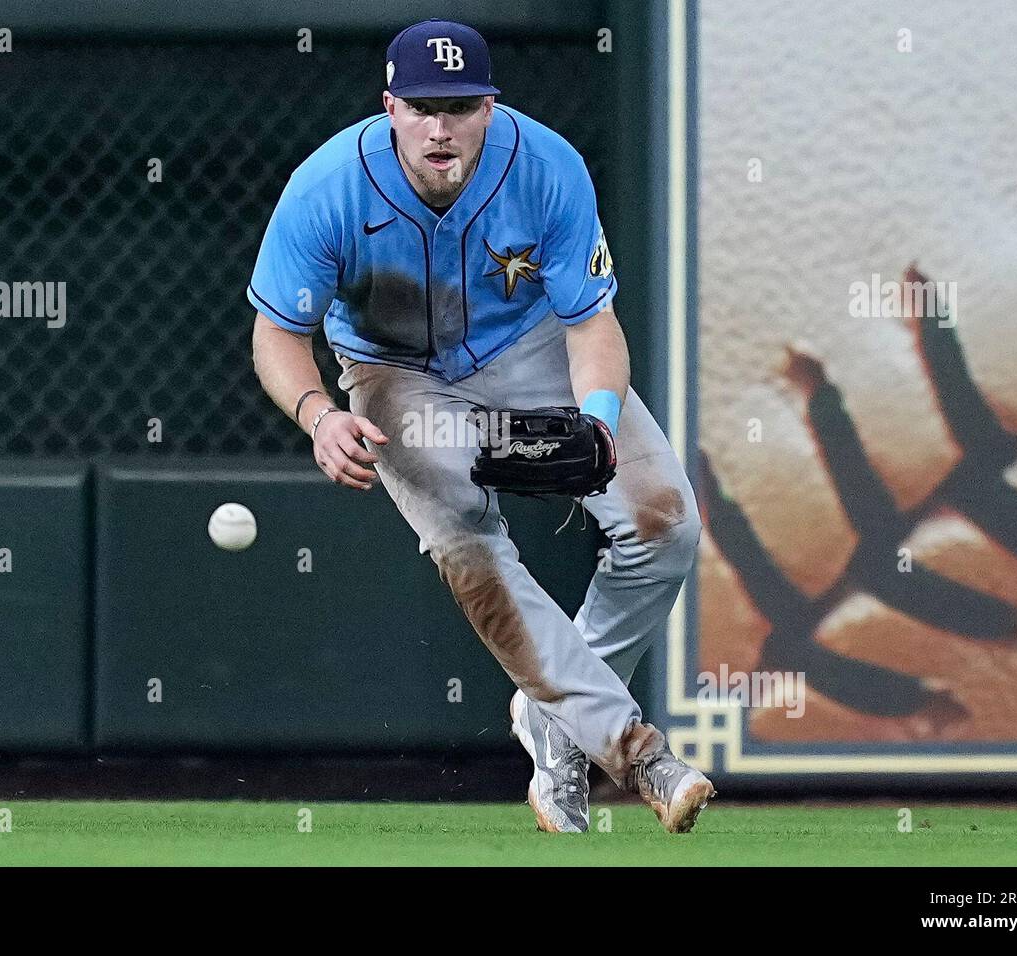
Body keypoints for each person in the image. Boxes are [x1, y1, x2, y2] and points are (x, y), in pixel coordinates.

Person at [250, 19, 712, 833]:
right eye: (422, 107)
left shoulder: (547, 167)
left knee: (665, 526)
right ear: (389, 107)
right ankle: (635, 749)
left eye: (460, 106)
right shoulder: (328, 187)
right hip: (396, 374)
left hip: (530, 352)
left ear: (490, 108)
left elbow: (591, 324)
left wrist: (598, 421)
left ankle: (551, 718)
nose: (440, 127)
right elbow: (278, 334)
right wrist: (319, 415)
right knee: (467, 540)